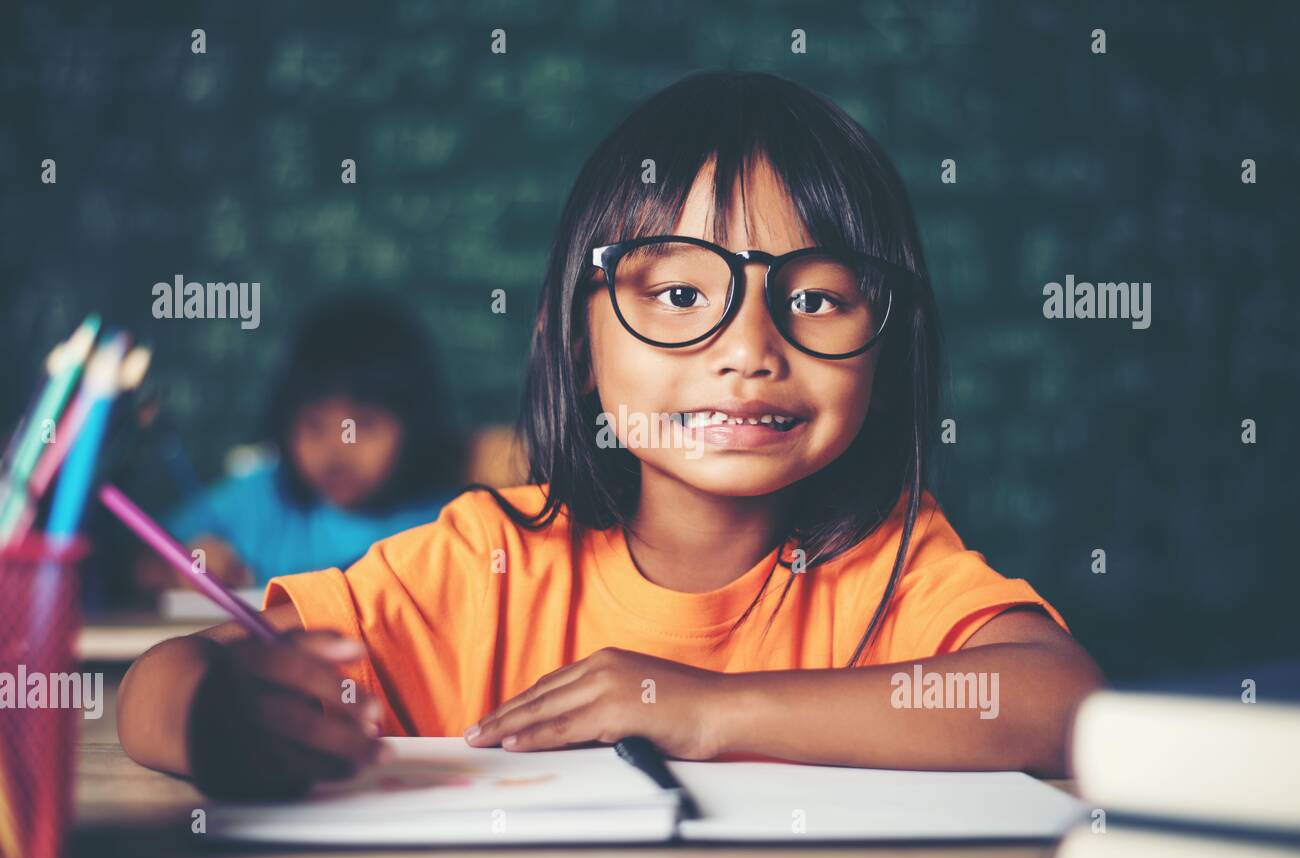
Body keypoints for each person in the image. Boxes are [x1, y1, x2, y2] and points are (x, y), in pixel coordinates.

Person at [117, 71, 1104, 798]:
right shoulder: (486, 562)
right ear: (577, 341)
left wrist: (702, 709)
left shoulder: (884, 559)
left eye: (816, 298)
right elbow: (160, 684)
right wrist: (220, 718)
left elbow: (1059, 705)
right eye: (679, 293)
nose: (751, 348)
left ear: (883, 351)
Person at [136, 293, 464, 589]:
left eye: (363, 425)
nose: (336, 451)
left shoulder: (451, 524)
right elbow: (136, 562)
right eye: (313, 426)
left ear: (415, 423)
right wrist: (185, 565)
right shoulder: (262, 497)